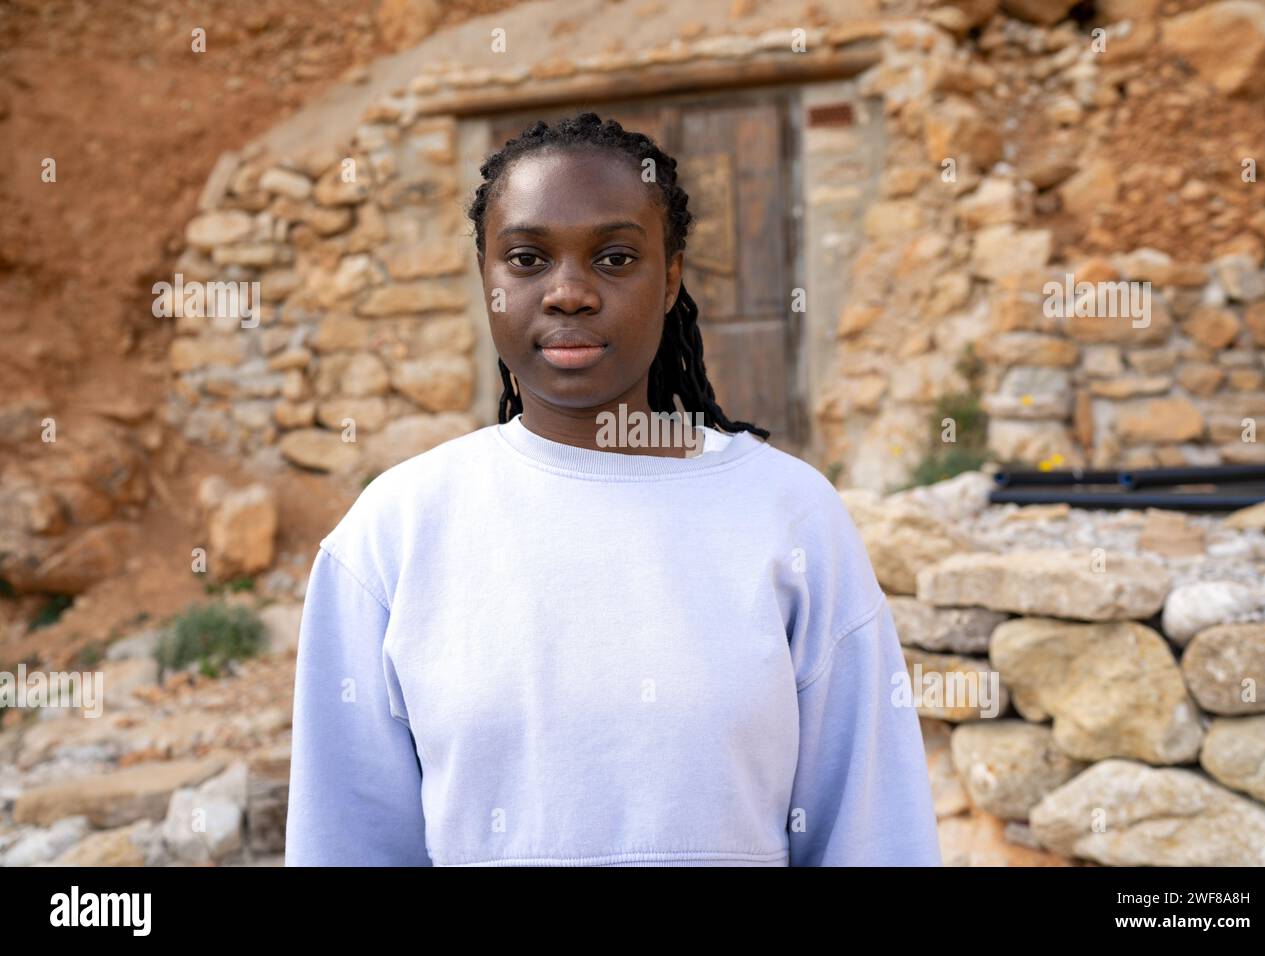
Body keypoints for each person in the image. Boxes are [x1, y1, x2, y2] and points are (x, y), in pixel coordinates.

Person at [284, 112, 942, 867]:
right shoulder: (393, 533)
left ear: (670, 279)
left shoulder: (791, 516)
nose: (569, 293)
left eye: (616, 257)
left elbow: (870, 832)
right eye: (527, 259)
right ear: (486, 279)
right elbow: (347, 843)